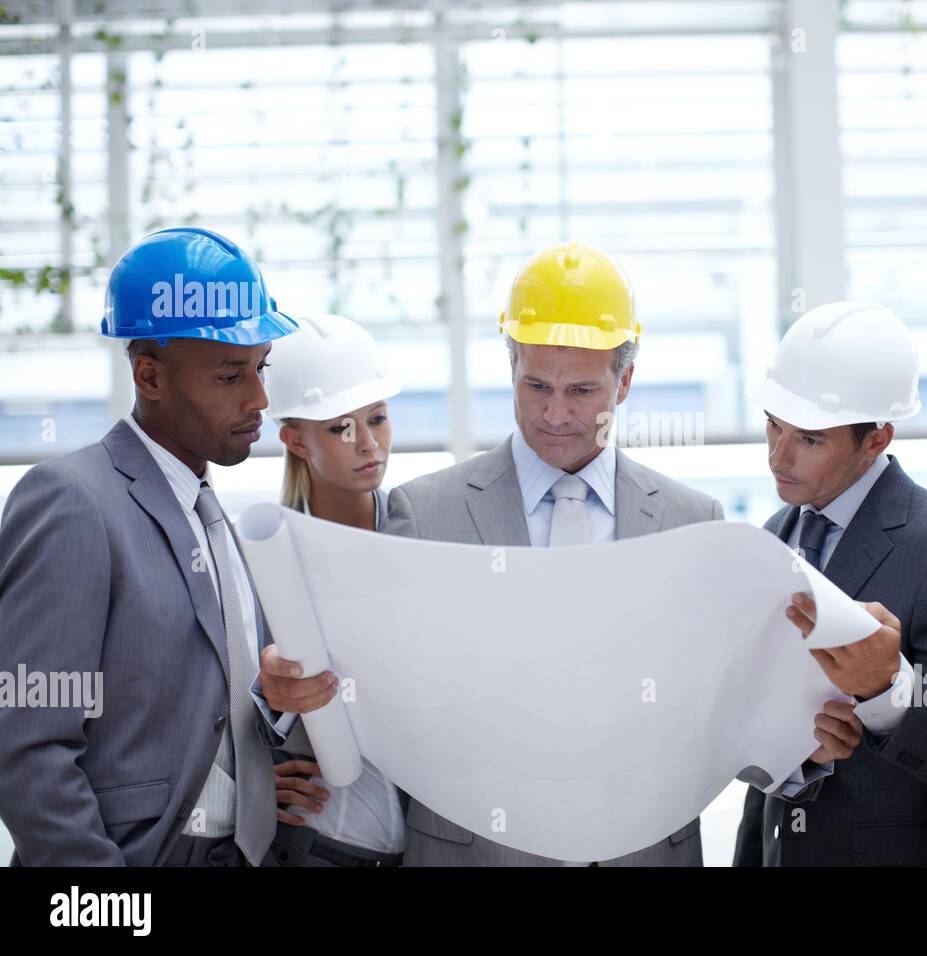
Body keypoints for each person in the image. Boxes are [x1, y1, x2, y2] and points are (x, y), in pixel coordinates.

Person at [258, 240, 863, 866]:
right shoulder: (420, 515)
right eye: (536, 385)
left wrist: (801, 750)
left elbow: (725, 718)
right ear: (511, 366)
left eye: (580, 391)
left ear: (624, 381)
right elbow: (369, 702)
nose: (554, 414)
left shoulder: (694, 525)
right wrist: (291, 697)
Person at [0, 227, 296, 865]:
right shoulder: (74, 502)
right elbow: (28, 747)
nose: (259, 399)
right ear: (149, 375)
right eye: (229, 375)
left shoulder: (220, 521)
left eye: (261, 368)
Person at [734, 301, 927, 867]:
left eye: (810, 439)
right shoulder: (773, 535)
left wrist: (886, 692)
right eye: (774, 425)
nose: (778, 456)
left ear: (877, 439)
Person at [253, 312, 408, 867]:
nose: (369, 444)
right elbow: (213, 704)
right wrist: (251, 782)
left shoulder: (425, 539)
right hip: (312, 846)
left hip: (423, 842)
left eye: (379, 419)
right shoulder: (260, 560)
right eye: (341, 427)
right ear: (294, 440)